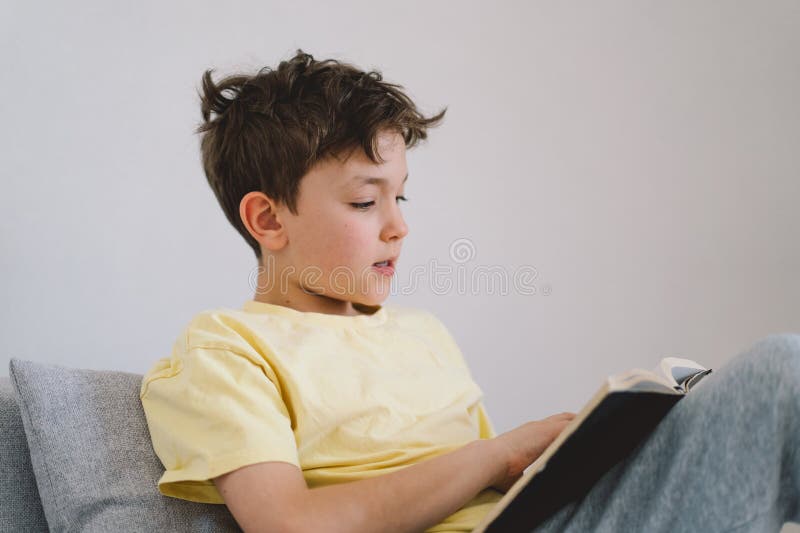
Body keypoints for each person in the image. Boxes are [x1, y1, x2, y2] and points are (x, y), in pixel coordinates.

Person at [139, 49, 800, 533]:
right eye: (367, 201)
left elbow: (499, 487)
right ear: (268, 219)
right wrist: (494, 453)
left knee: (772, 377)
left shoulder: (421, 333)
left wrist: (563, 450)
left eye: (401, 195)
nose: (400, 225)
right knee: (780, 372)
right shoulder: (225, 347)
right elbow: (290, 524)